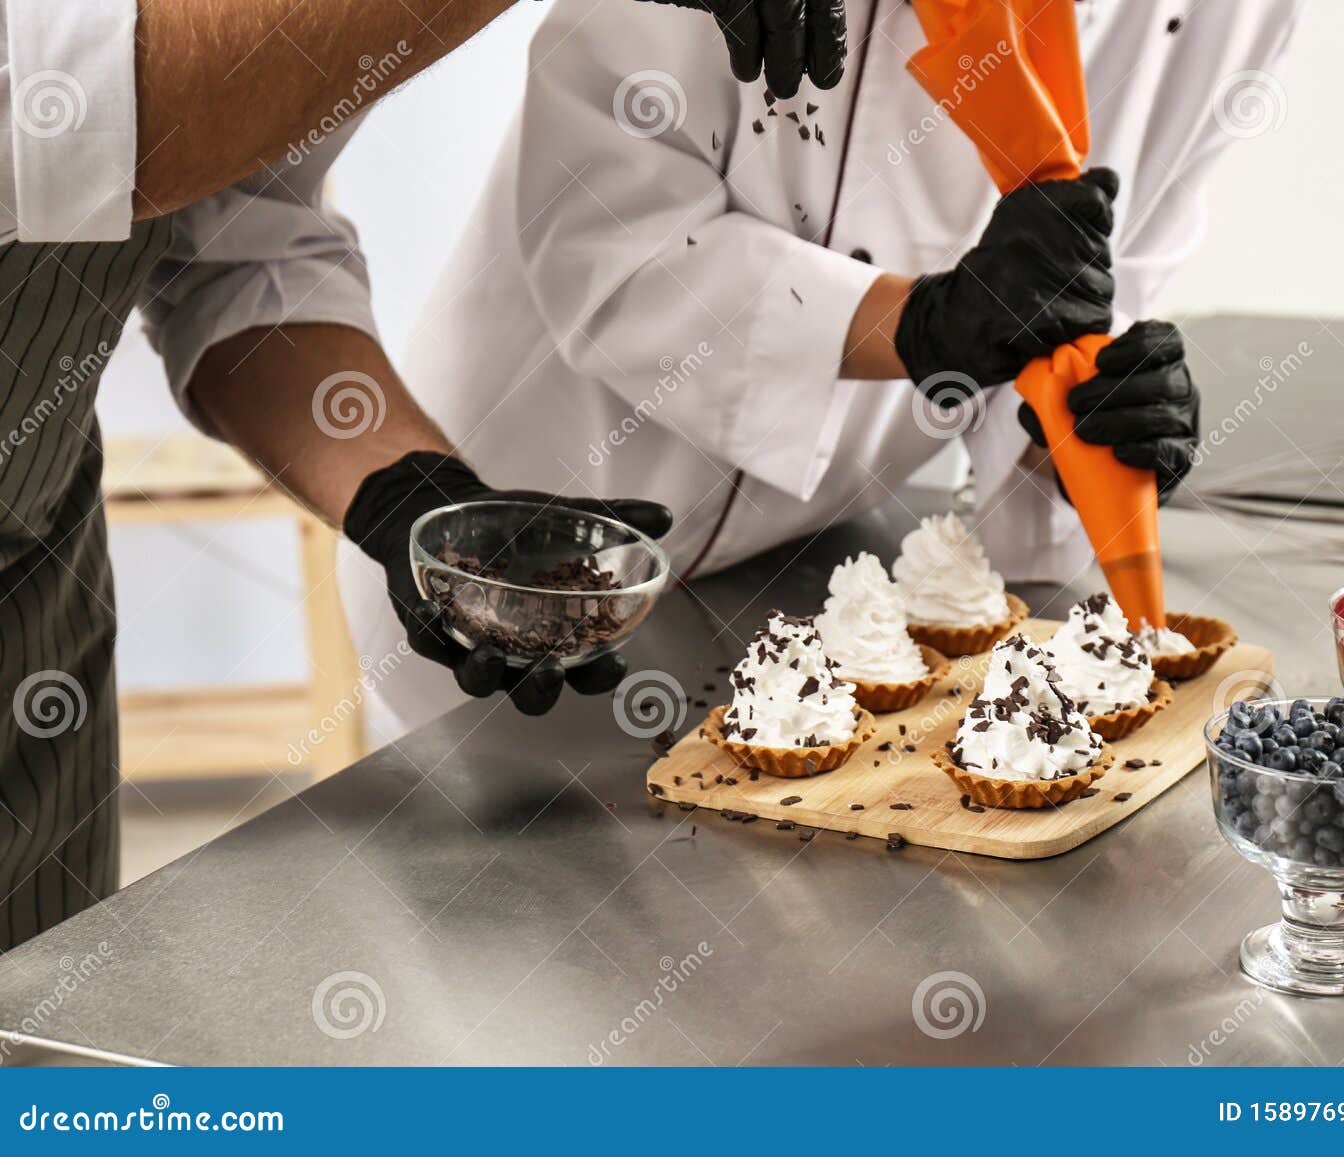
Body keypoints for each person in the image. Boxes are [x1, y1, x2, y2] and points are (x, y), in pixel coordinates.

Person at [0, 0, 846, 950]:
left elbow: (232, 246)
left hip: (33, 567)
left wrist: (406, 488)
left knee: (32, 1039)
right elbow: (76, 106)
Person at [341, 0, 1299, 741]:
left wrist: (1075, 437)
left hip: (811, 587)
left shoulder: (1237, 14)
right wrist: (920, 323)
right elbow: (607, 248)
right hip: (517, 552)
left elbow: (1091, 282)